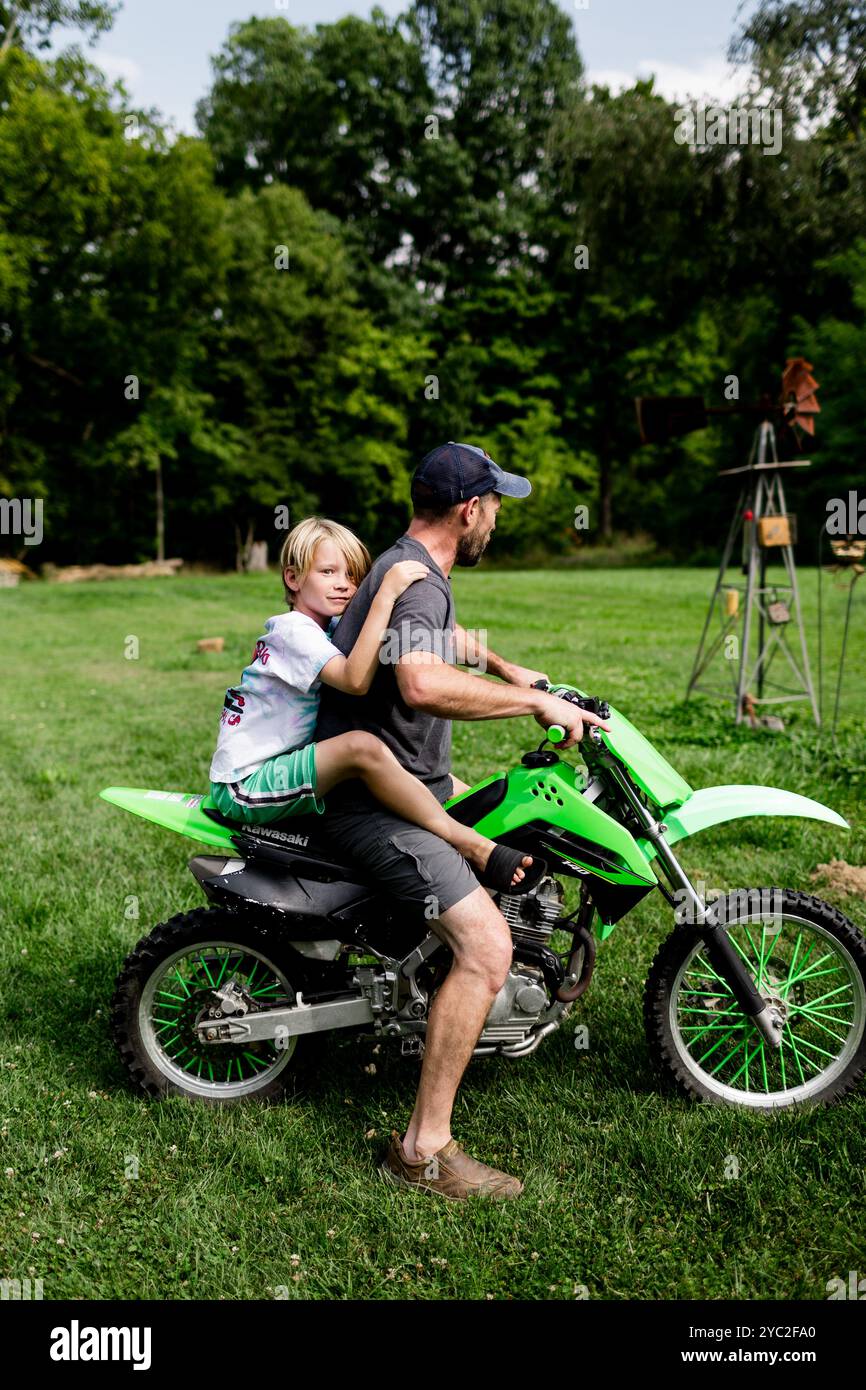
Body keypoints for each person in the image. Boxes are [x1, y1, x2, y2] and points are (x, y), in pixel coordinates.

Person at [315, 442, 610, 1201]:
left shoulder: (407, 564)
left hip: (415, 786)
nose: (498, 519)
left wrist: (514, 671)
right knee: (488, 946)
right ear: (470, 509)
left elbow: (438, 645)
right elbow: (419, 680)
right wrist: (538, 704)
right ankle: (423, 1150)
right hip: (379, 805)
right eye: (497, 504)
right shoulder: (418, 581)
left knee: (519, 826)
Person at [208, 516, 540, 892]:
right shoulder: (293, 631)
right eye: (328, 571)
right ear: (293, 578)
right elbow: (354, 679)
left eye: (352, 576)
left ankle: (503, 836)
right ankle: (466, 842)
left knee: (443, 784)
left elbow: (432, 636)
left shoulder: (326, 626)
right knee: (362, 747)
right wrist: (384, 595)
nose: (343, 585)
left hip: (282, 764)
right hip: (247, 781)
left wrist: (504, 669)